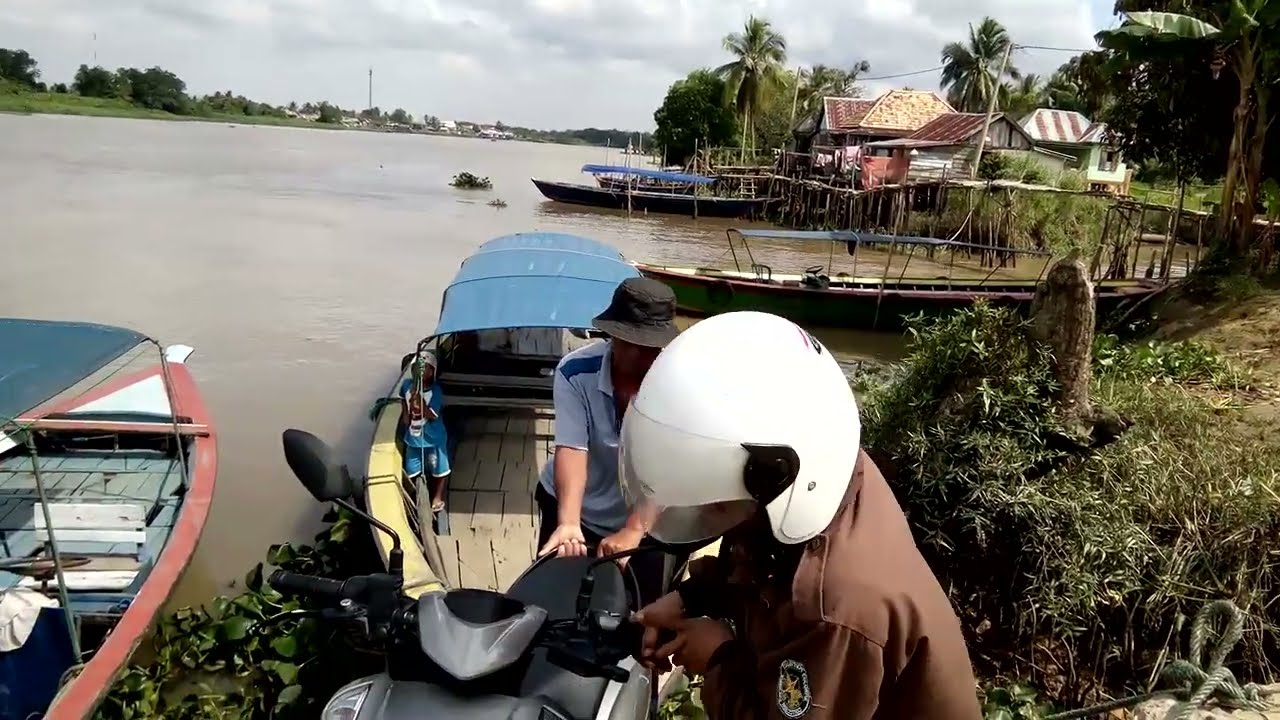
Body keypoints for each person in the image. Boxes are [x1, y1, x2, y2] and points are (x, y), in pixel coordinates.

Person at [624, 311, 982, 720]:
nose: (708, 511)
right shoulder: (827, 476)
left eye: (719, 501)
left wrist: (718, 658)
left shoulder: (836, 606)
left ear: (777, 479)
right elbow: (763, 561)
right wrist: (690, 598)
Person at [536, 276, 679, 606]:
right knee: (554, 596)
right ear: (613, 336)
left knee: (640, 609)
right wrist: (569, 522)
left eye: (650, 347)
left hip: (645, 512)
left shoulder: (677, 385)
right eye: (631, 343)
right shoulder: (575, 370)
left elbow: (668, 466)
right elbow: (572, 447)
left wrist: (633, 529)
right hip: (574, 503)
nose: (641, 356)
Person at [400, 350, 450, 512]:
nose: (422, 372)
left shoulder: (436, 391)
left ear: (432, 372)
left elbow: (432, 414)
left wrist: (419, 400)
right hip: (413, 436)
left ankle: (437, 496)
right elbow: (403, 399)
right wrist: (406, 416)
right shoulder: (407, 386)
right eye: (419, 368)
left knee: (439, 468)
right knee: (411, 468)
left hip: (433, 437)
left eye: (427, 369)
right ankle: (413, 496)